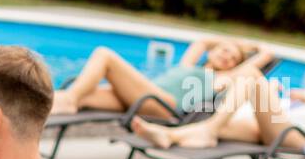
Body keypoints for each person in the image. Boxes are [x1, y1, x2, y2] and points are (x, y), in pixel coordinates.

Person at [129, 57, 305, 154]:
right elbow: (285, 108)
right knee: (220, 125)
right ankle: (167, 135)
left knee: (250, 73)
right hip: (277, 125)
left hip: (299, 137)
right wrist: (274, 93)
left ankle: (205, 132)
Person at [50, 36, 273, 117]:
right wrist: (236, 43)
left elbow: (267, 54)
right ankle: (57, 103)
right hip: (146, 95)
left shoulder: (224, 77)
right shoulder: (189, 64)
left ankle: (69, 100)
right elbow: (202, 42)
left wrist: (249, 47)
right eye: (224, 50)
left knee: (104, 54)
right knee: (85, 96)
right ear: (212, 51)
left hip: (165, 105)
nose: (226, 57)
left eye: (233, 58)